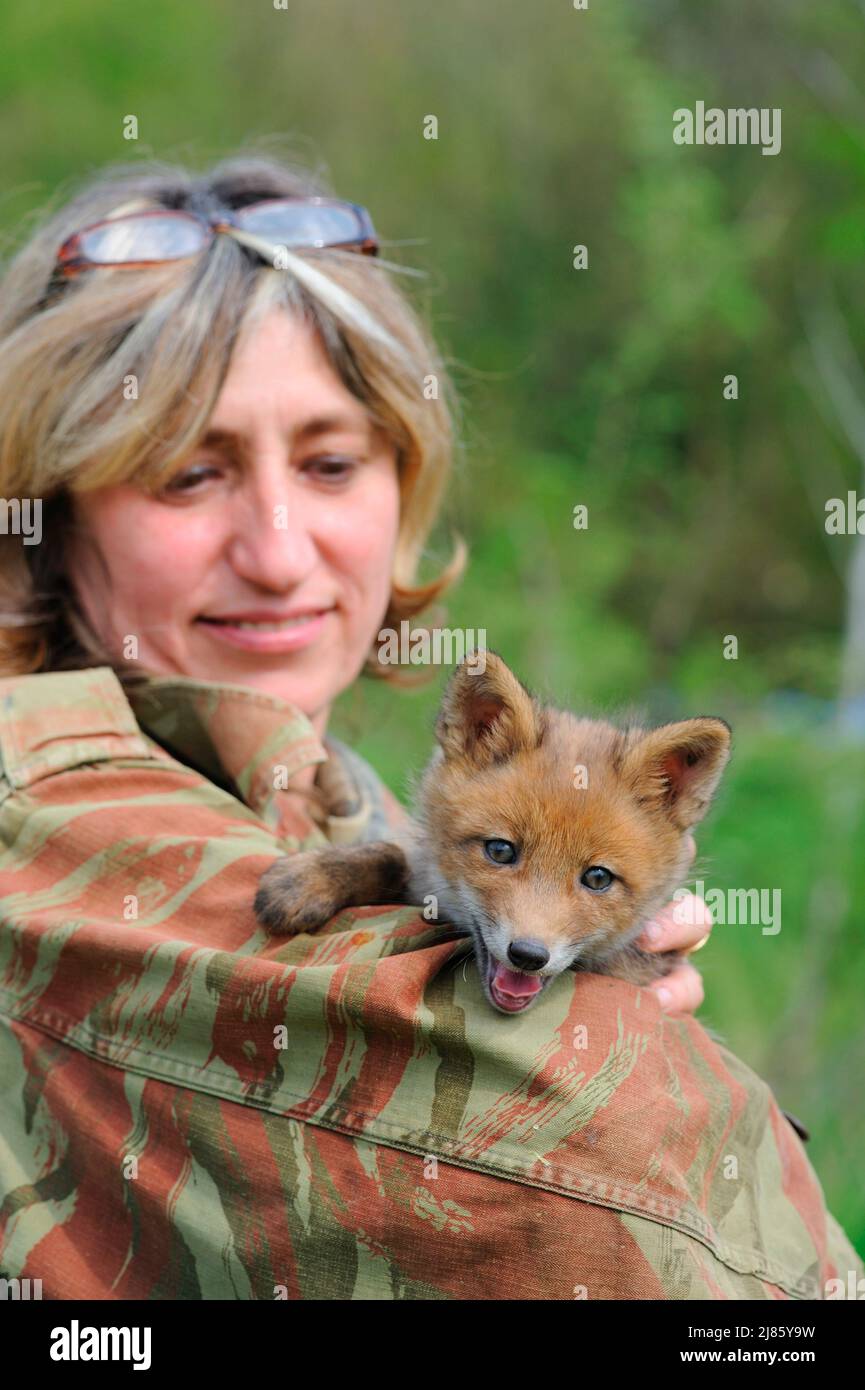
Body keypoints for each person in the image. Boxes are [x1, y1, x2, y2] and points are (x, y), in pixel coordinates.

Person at [0, 152, 859, 1300]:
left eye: (332, 461)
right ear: (45, 517)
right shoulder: (45, 809)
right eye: (186, 472)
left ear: (403, 485)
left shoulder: (334, 800)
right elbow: (607, 1158)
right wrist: (651, 1068)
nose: (278, 550)